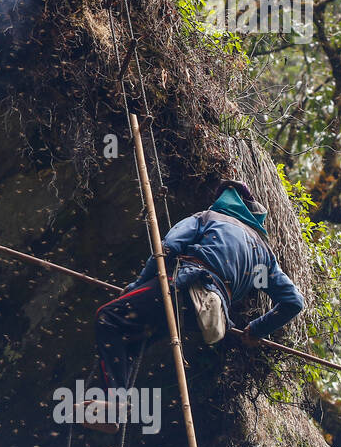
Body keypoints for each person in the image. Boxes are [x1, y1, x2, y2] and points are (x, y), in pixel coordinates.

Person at [82, 179, 305, 431]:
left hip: (184, 288)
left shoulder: (208, 217)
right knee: (132, 339)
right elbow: (293, 302)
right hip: (209, 317)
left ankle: (116, 405)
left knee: (108, 318)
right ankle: (116, 405)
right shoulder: (262, 254)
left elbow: (166, 248)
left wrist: (137, 285)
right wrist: (256, 330)